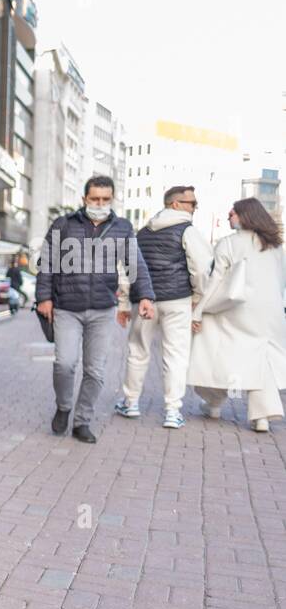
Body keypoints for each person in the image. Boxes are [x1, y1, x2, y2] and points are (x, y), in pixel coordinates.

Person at [35, 175, 155, 443]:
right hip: (67, 307)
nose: (100, 204)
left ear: (112, 199)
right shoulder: (64, 224)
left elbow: (135, 264)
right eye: (95, 199)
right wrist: (44, 297)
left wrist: (145, 295)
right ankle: (64, 407)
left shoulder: (122, 227)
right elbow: (46, 263)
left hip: (102, 310)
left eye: (105, 199)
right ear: (84, 199)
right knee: (65, 364)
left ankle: (82, 421)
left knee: (95, 371)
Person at [114, 185, 213, 429]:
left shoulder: (142, 233)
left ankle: (131, 402)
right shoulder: (188, 231)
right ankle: (172, 411)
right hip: (178, 300)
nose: (195, 207)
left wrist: (124, 303)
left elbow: (127, 270)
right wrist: (198, 296)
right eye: (192, 203)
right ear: (175, 204)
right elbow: (200, 269)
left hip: (144, 300)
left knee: (138, 351)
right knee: (175, 355)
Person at [188, 197, 286, 432]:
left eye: (232, 213)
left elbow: (215, 282)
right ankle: (261, 416)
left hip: (236, 309)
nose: (228, 216)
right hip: (269, 311)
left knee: (213, 346)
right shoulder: (275, 245)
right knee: (260, 357)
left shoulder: (228, 243)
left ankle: (213, 400)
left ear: (245, 216)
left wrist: (198, 312)